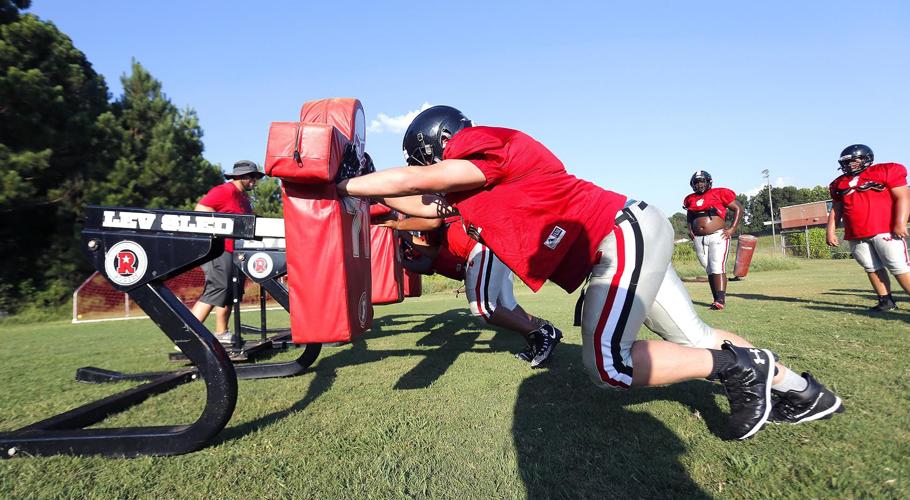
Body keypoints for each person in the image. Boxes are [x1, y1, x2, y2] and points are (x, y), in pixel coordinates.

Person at [337, 105, 844, 440]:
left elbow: (418, 180)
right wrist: (367, 190)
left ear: (442, 140)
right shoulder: (477, 186)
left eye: (428, 157)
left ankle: (739, 368)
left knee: (608, 365)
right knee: (696, 334)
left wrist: (347, 183)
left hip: (619, 235)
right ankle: (802, 392)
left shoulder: (485, 143)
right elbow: (425, 205)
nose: (429, 168)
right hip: (630, 230)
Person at [385, 215, 560, 366]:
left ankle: (541, 334)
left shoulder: (434, 207)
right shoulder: (428, 223)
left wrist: (398, 224)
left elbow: (433, 222)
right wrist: (406, 235)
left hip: (482, 247)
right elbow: (433, 252)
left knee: (483, 308)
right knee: (507, 304)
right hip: (488, 248)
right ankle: (539, 337)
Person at [826, 144, 909, 312]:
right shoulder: (838, 183)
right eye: (846, 162)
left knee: (898, 266)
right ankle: (886, 301)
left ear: (866, 159)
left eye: (853, 161)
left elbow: (903, 197)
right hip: (856, 233)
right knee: (871, 267)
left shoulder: (885, 170)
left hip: (884, 229)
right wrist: (830, 230)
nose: (850, 165)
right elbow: (837, 208)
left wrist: (900, 222)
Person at [190, 160, 264, 345]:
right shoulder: (224, 191)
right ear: (241, 176)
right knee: (217, 289)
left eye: (256, 177)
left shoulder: (243, 198)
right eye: (252, 177)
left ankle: (221, 333)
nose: (255, 180)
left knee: (231, 292)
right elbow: (200, 209)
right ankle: (187, 337)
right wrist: (221, 227)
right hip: (217, 249)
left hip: (236, 252)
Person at [683, 171, 743, 310]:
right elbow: (690, 215)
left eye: (702, 181)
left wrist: (732, 229)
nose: (699, 184)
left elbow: (738, 208)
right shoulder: (690, 199)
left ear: (708, 182)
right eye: (697, 182)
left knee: (717, 266)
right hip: (699, 238)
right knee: (709, 268)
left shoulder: (719, 193)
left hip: (717, 235)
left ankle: (720, 300)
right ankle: (716, 299)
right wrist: (691, 230)